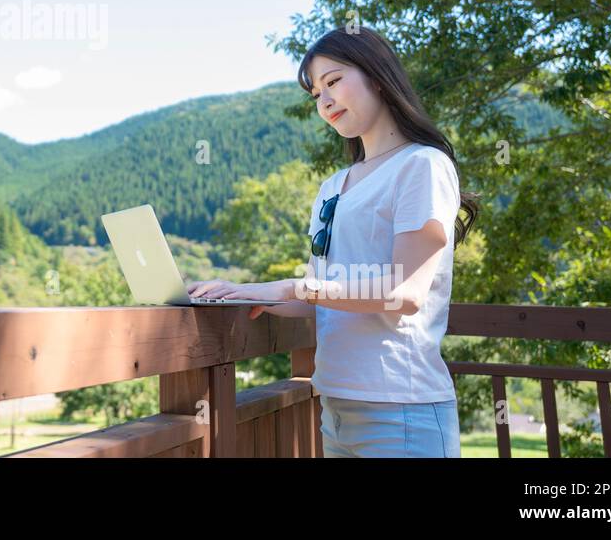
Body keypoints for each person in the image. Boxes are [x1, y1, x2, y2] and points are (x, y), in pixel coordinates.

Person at [188, 26, 479, 457]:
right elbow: (320, 295)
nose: (324, 101)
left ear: (377, 75)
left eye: (333, 81)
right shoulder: (332, 186)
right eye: (315, 93)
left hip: (401, 411)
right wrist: (244, 293)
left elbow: (405, 293)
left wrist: (290, 286)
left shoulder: (422, 165)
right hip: (335, 408)